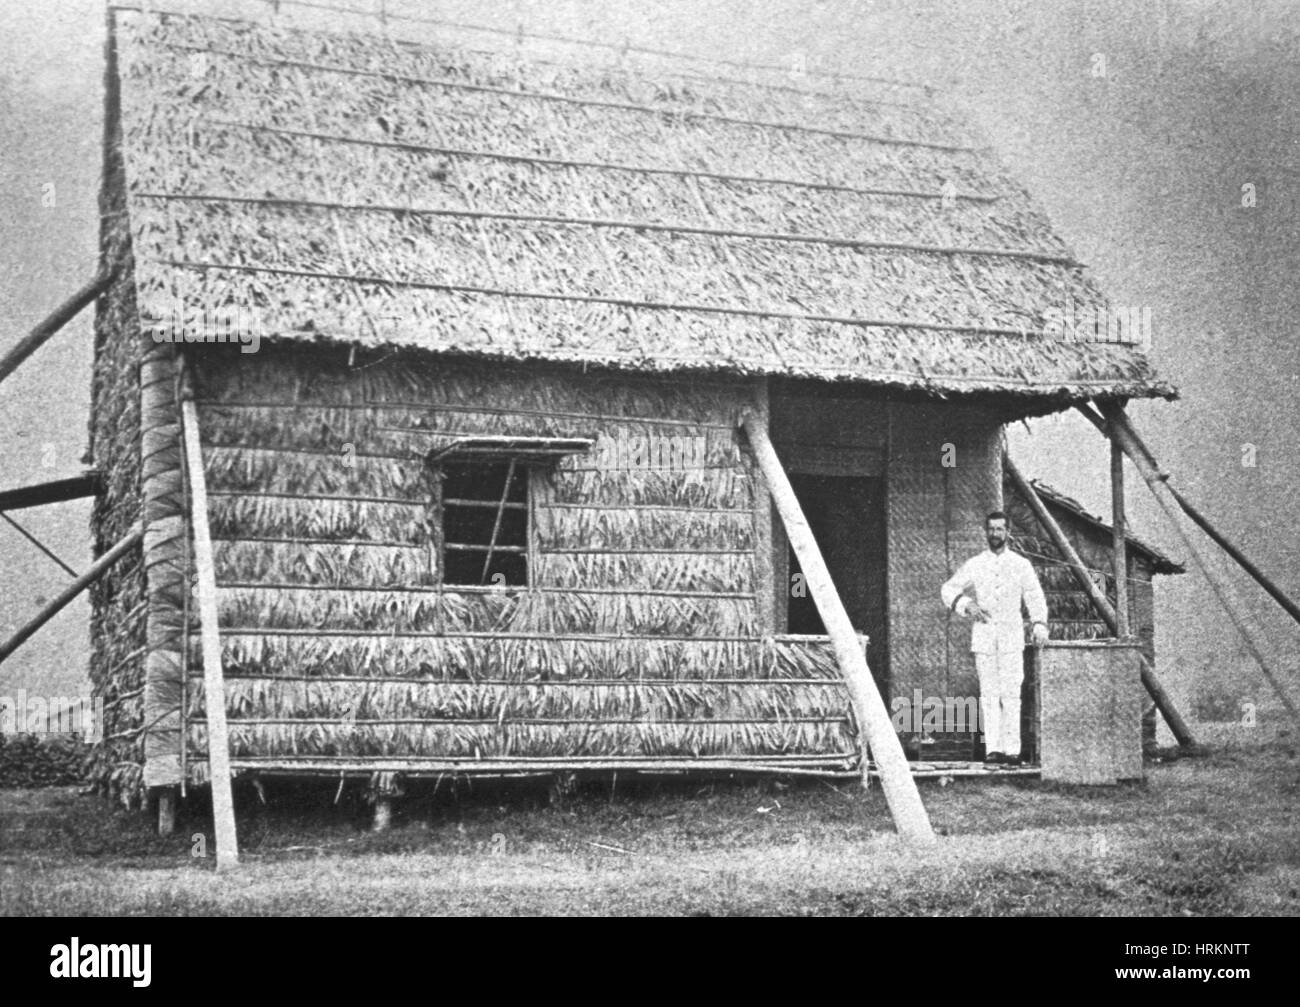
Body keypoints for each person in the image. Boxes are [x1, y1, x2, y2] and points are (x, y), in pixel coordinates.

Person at [940, 510, 1049, 767]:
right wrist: (968, 606)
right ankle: (994, 749)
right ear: (985, 531)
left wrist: (1039, 623)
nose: (995, 534)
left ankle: (1012, 751)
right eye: (991, 529)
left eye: (1000, 529)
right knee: (989, 694)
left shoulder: (1020, 565)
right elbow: (948, 588)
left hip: (1011, 637)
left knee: (1011, 694)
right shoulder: (976, 563)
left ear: (1007, 532)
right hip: (985, 637)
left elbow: (1034, 596)